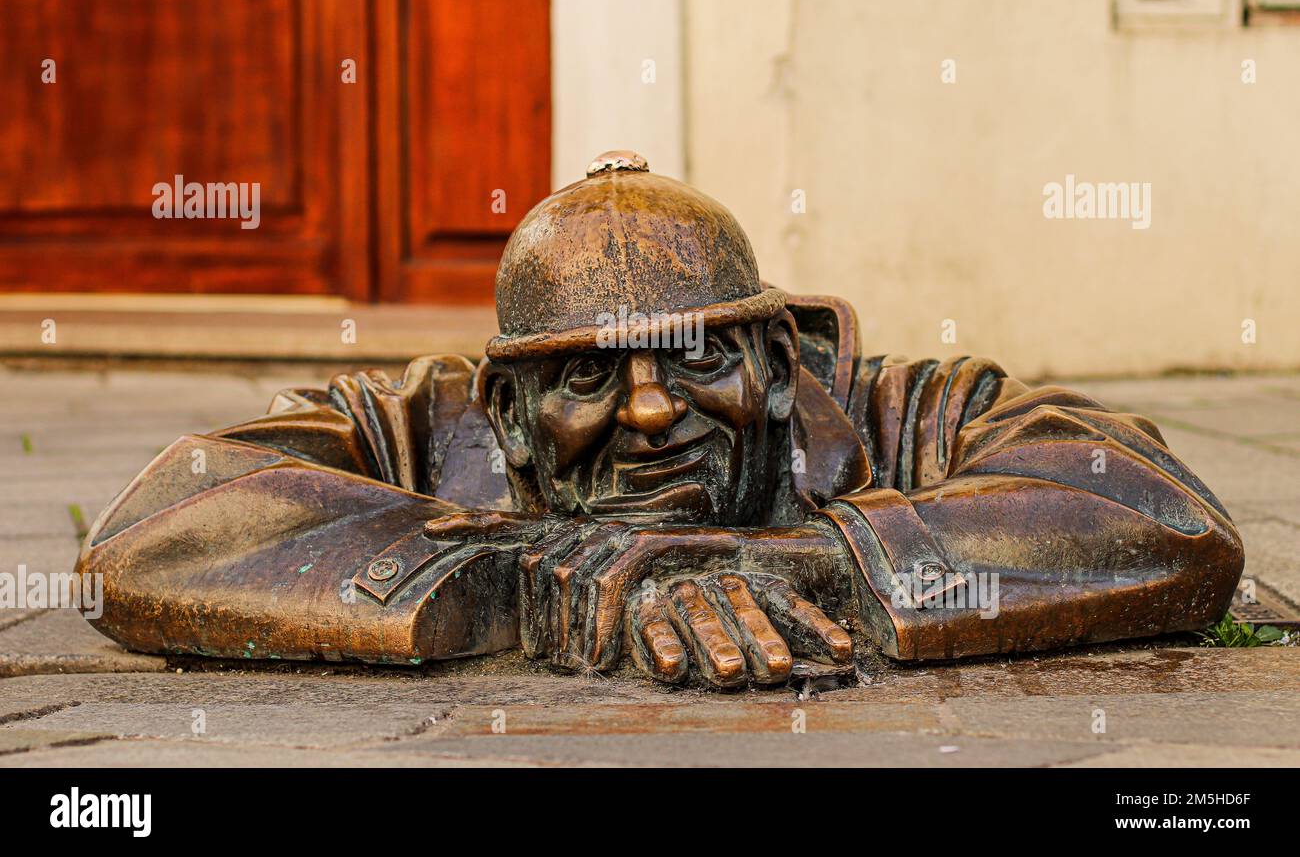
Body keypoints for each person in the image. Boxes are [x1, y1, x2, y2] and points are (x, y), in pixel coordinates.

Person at [76, 151, 1243, 688]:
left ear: (777, 360)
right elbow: (151, 531)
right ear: (512, 409)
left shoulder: (908, 410)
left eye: (694, 360)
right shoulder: (429, 424)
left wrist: (809, 561)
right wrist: (526, 571)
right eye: (587, 378)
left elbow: (1162, 510)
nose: (647, 411)